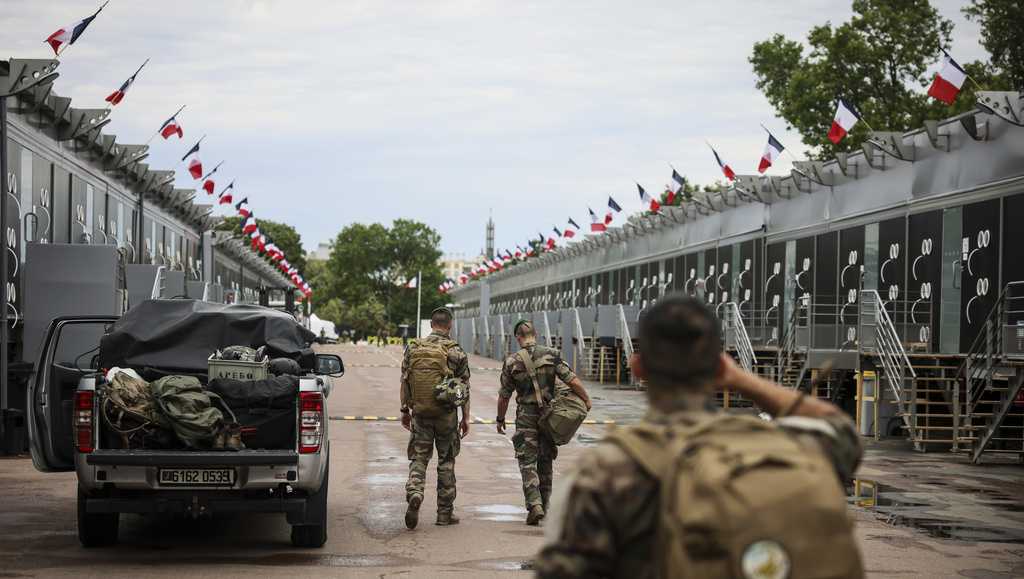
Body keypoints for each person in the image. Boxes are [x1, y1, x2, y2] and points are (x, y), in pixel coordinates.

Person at [535, 295, 863, 579]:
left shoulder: (606, 473)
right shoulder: (795, 447)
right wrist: (743, 381)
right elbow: (842, 431)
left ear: (638, 368)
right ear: (719, 365)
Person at [497, 320, 592, 526]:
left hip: (526, 417)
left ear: (517, 337)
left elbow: (504, 396)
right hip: (549, 416)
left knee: (527, 461)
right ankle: (545, 507)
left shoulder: (512, 361)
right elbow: (572, 380)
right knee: (546, 459)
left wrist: (500, 418)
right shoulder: (552, 354)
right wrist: (586, 399)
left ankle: (534, 504)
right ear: (535, 334)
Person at [400, 307, 471, 528]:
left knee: (419, 458)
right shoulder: (456, 351)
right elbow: (463, 388)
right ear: (449, 325)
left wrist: (404, 410)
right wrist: (465, 417)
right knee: (446, 462)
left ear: (431, 324)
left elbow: (404, 380)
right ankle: (444, 514)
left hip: (420, 413)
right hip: (446, 415)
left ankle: (415, 492)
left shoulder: (413, 348)